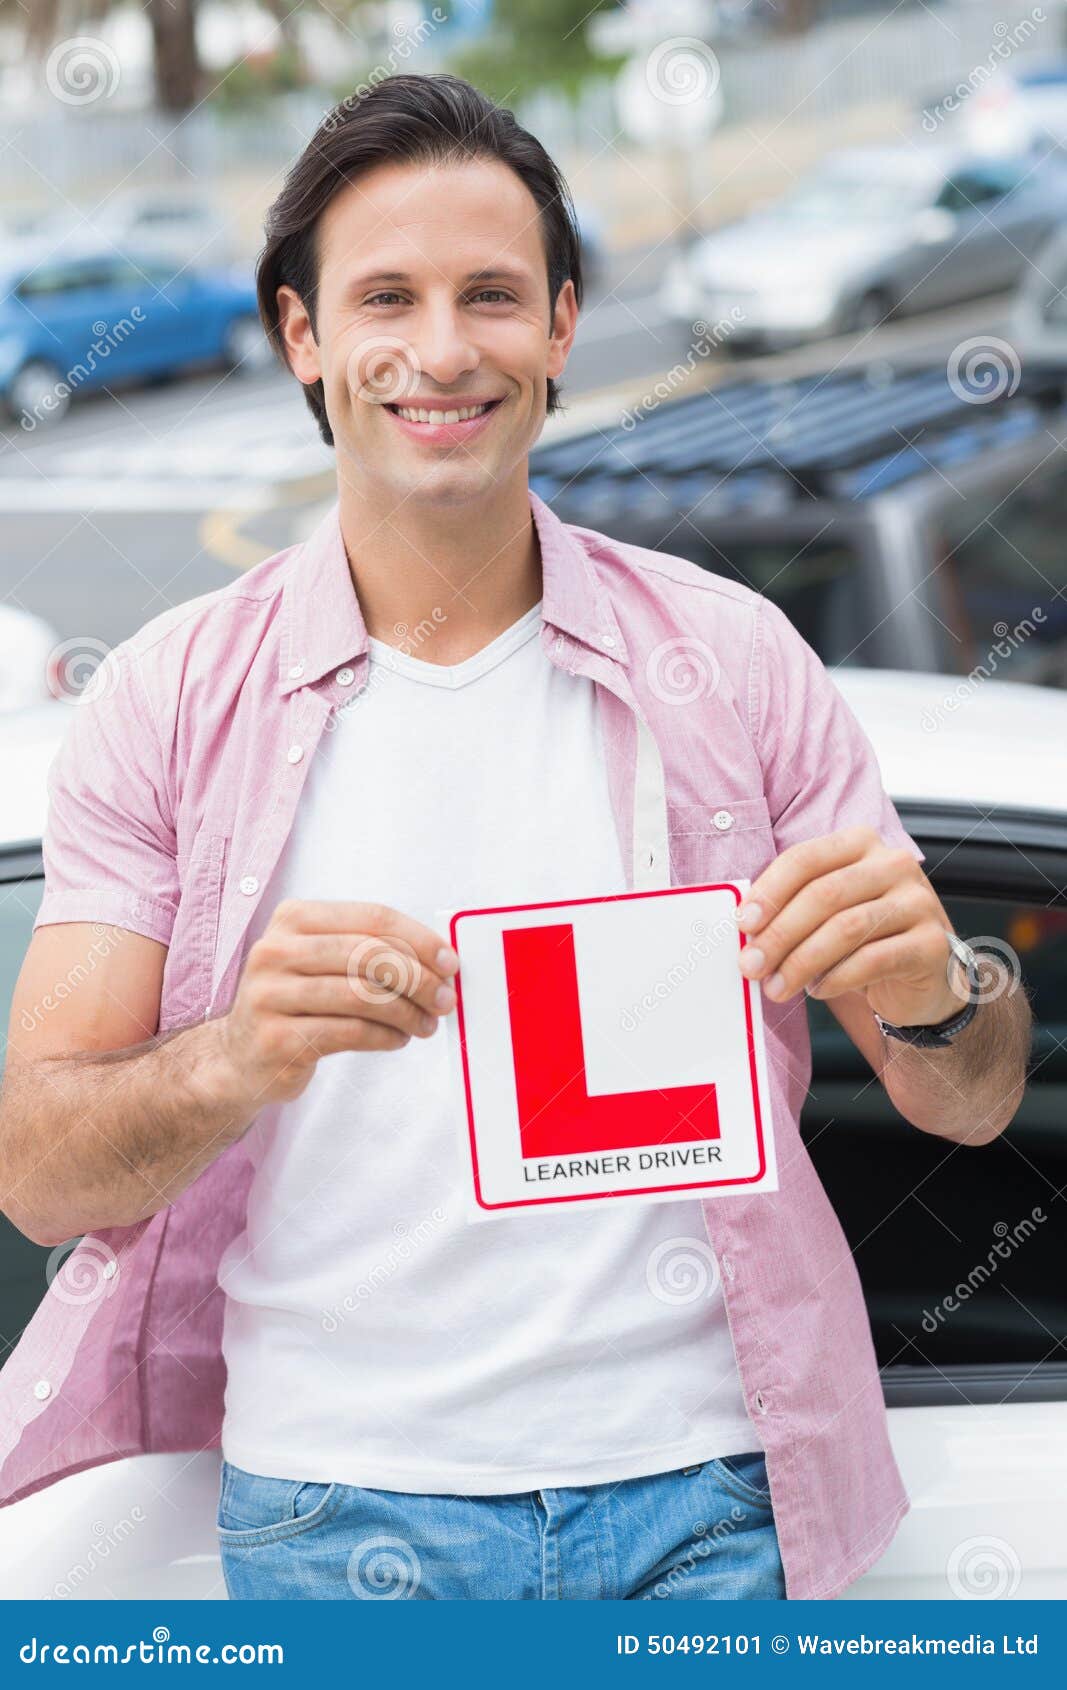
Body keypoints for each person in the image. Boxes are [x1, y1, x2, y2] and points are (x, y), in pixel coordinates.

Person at [0, 74, 1032, 1603]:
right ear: (303, 336)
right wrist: (235, 1053)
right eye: (386, 297)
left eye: (490, 294)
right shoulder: (164, 703)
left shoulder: (737, 660)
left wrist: (948, 979)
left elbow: (968, 1100)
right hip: (343, 1518)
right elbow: (37, 1172)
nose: (439, 349)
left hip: (710, 1498)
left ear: (559, 328)